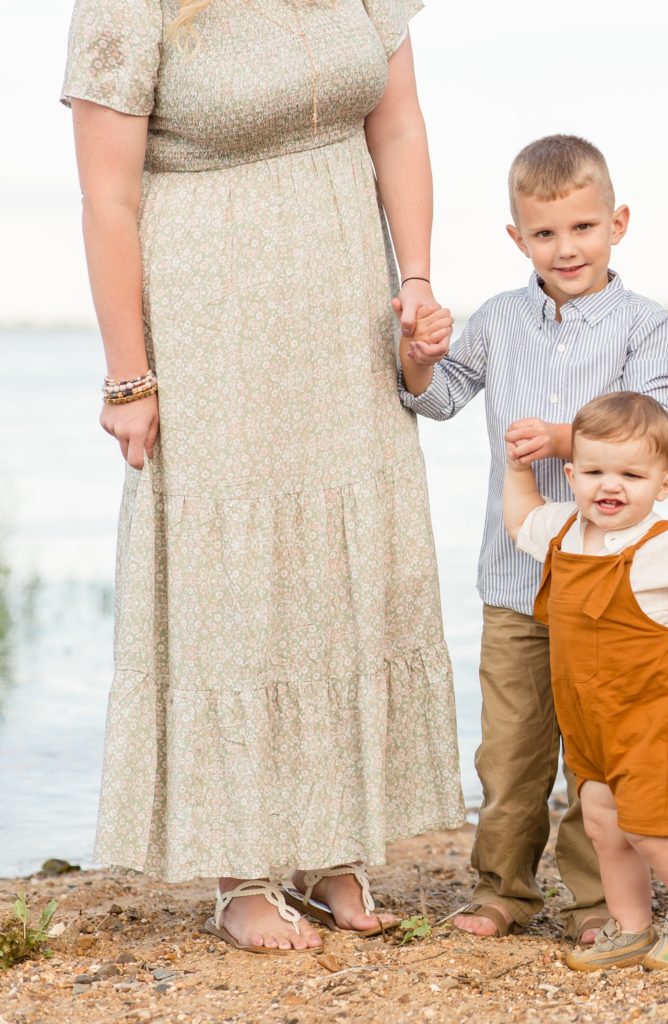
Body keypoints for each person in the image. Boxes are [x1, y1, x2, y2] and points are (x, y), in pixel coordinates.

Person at [64, 0, 467, 953]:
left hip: (343, 297)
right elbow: (106, 198)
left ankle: (332, 845)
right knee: (237, 583)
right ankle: (239, 869)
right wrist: (130, 375)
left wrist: (415, 276)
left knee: (341, 572)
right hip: (211, 308)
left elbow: (399, 121)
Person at [399, 135, 668, 942]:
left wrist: (568, 441)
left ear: (617, 223)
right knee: (513, 751)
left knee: (599, 750)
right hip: (515, 581)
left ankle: (597, 901)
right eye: (546, 233)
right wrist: (419, 357)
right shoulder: (496, 321)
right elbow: (440, 397)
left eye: (583, 228)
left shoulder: (643, 325)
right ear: (517, 237)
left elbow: (658, 429)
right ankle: (503, 891)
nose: (567, 248)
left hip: (614, 586)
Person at [501, 391, 668, 971]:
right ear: (571, 474)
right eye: (594, 472)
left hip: (654, 716)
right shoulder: (562, 528)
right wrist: (515, 468)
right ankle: (631, 925)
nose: (610, 486)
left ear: (664, 483)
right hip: (591, 718)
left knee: (654, 829)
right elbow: (518, 518)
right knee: (604, 826)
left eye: (632, 475)